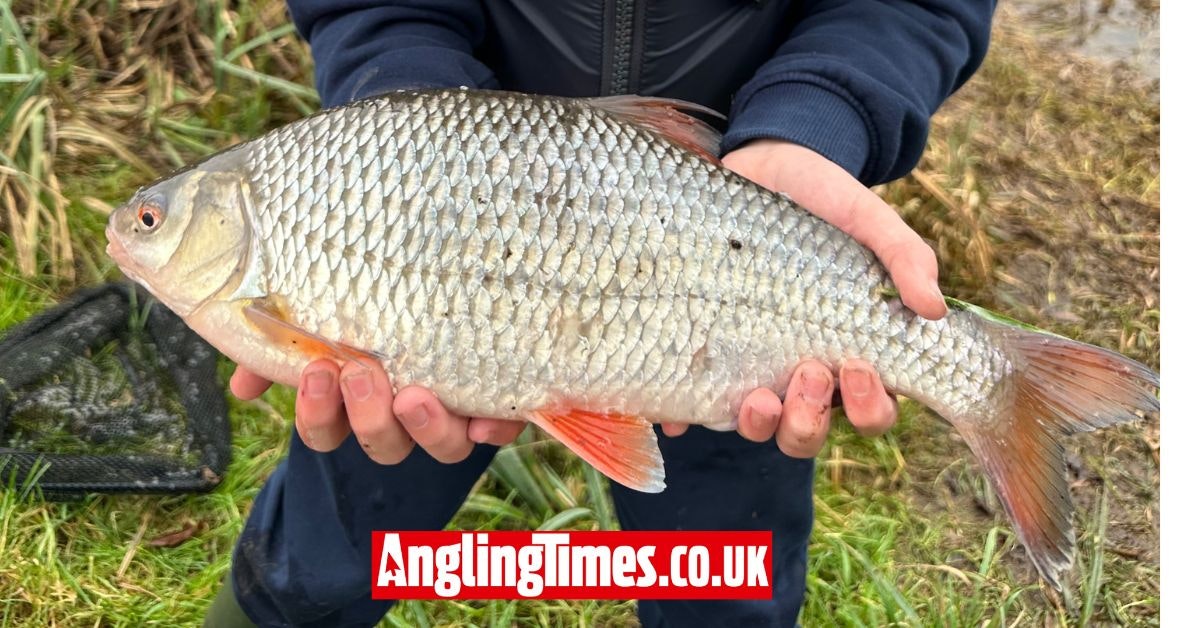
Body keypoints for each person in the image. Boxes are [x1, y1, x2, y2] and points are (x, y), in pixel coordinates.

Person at [205, 1, 996, 626]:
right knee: (331, 536)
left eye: (150, 222)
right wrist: (405, 139)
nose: (136, 232)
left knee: (723, 570)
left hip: (723, 221)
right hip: (435, 226)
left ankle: (996, 390)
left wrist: (818, 121)